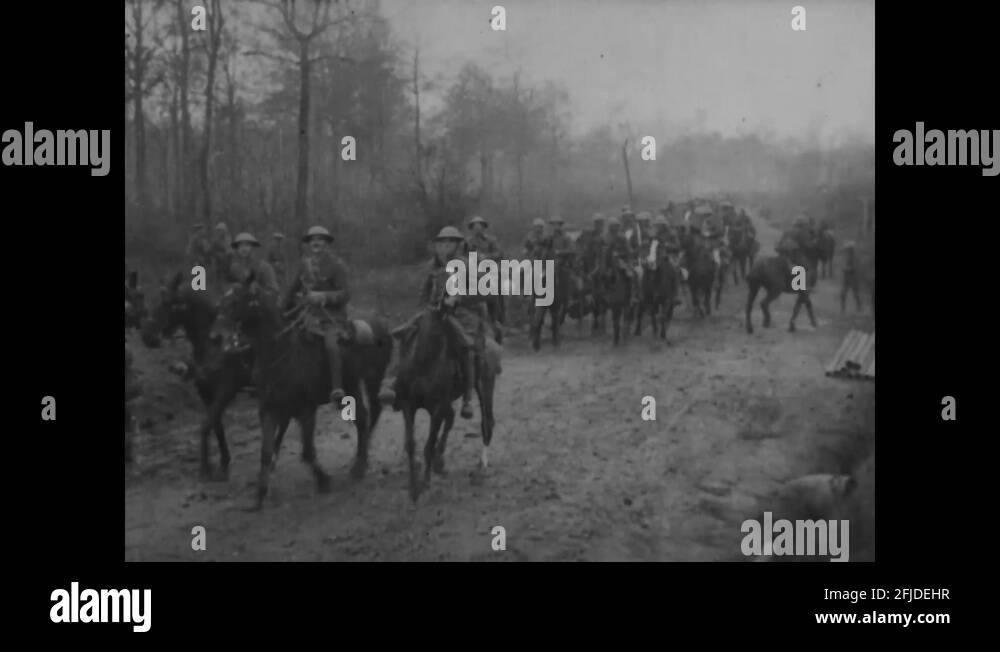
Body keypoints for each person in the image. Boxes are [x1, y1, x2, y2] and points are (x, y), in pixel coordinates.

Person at [283, 226, 352, 405]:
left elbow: (345, 294)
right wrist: (281, 311)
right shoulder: (303, 264)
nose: (316, 242)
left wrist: (323, 296)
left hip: (331, 317)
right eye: (312, 239)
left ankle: (337, 388)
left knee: (331, 345)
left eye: (320, 239)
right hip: (307, 316)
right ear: (308, 244)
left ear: (327, 244)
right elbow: (291, 290)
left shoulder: (337, 265)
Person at [840, 241, 863, 314]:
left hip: (853, 278)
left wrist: (846, 268)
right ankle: (843, 309)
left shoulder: (854, 257)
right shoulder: (847, 256)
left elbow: (856, 267)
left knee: (856, 294)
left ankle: (859, 307)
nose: (846, 250)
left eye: (848, 249)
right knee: (843, 294)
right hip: (847, 278)